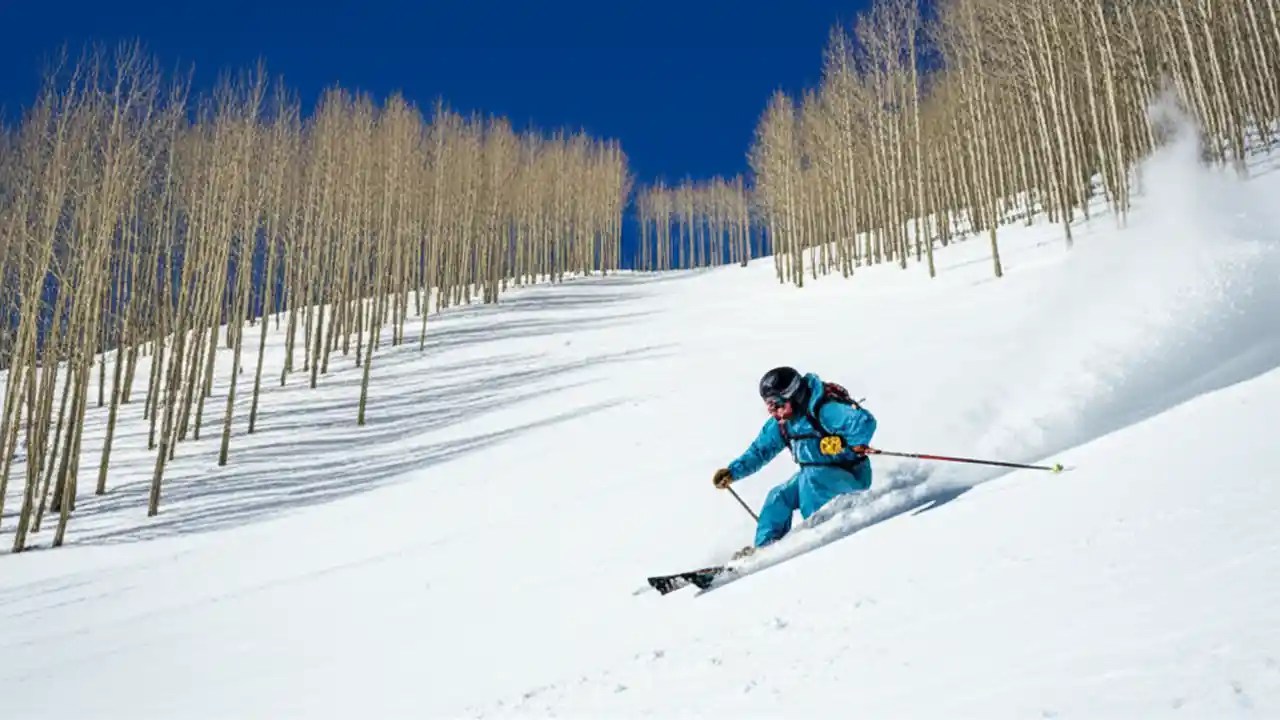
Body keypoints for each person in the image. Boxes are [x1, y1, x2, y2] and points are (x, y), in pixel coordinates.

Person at [712, 366, 877, 557]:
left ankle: (816, 535)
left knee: (811, 479)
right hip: (814, 476)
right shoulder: (783, 423)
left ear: (794, 396)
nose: (774, 411)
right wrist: (733, 472)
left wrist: (844, 441)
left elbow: (864, 423)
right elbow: (760, 451)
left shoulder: (824, 409)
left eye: (777, 404)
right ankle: (765, 549)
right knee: (778, 496)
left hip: (851, 476)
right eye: (769, 405)